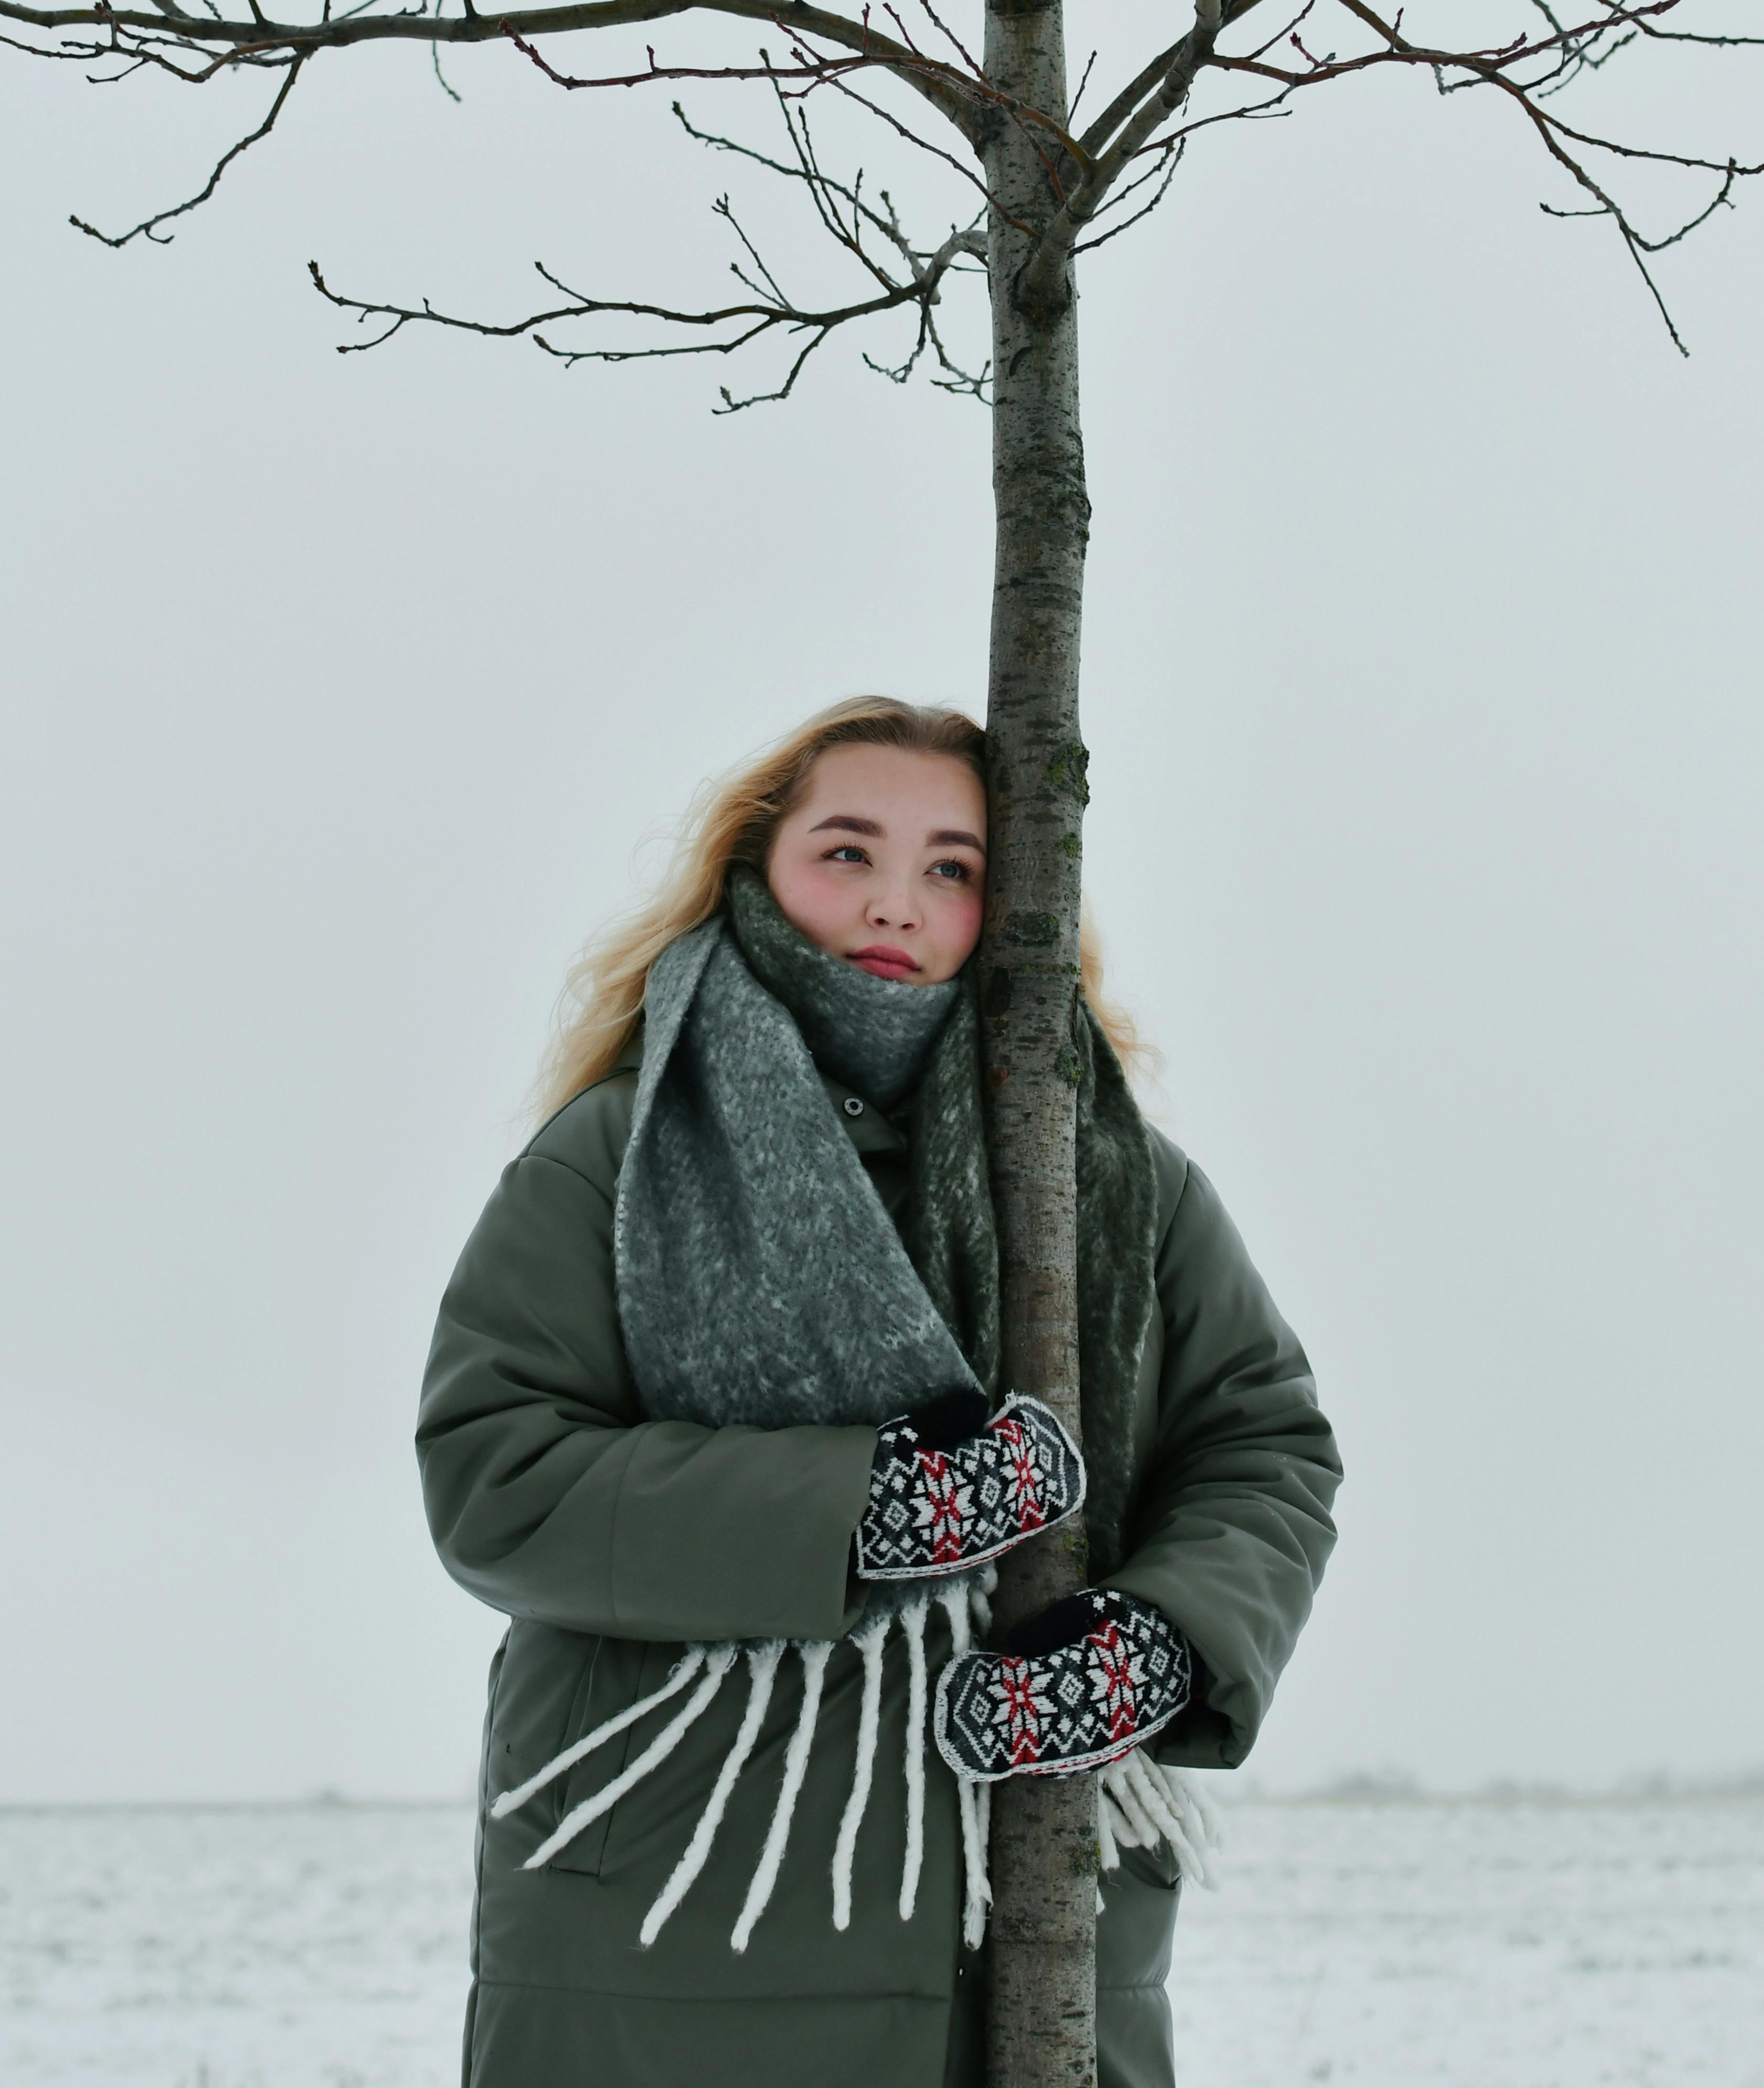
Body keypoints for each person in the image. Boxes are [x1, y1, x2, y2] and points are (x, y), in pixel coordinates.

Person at [418, 697, 1341, 2088]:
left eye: (952, 868)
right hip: (676, 1910)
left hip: (1023, 1918)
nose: (894, 903)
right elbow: (499, 1478)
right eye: (847, 851)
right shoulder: (612, 1157)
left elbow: (1260, 1444)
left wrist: (1157, 1642)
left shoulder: (1118, 1183)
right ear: (759, 864)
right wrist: (864, 1510)